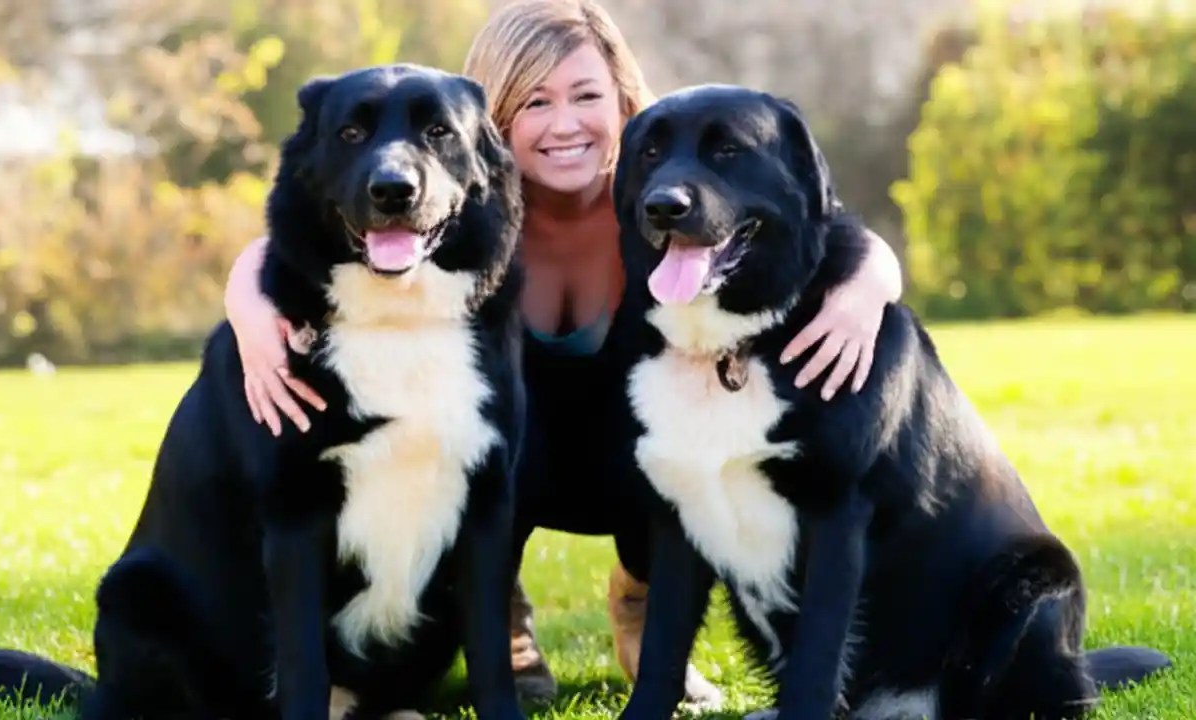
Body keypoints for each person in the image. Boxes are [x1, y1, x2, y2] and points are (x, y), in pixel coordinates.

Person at [223, 0, 904, 708]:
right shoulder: (467, 207)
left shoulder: (666, 192)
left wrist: (870, 287)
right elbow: (282, 240)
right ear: (494, 118)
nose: (565, 124)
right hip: (523, 457)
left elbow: (826, 224)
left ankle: (639, 604)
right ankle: (504, 615)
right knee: (480, 440)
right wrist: (247, 311)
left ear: (622, 97)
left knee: (679, 435)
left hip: (633, 451)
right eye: (536, 101)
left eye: (586, 96)